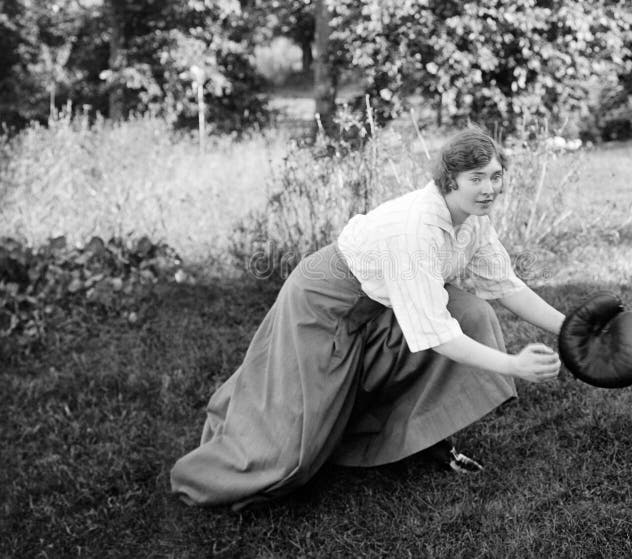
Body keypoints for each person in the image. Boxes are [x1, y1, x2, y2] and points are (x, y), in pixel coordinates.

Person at [170, 125, 565, 510]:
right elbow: (439, 335)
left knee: (472, 314)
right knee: (294, 446)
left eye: (496, 176)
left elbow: (505, 285)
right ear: (450, 180)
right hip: (324, 302)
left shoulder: (474, 220)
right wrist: (512, 364)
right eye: (476, 178)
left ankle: (424, 445)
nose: (490, 188)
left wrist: (569, 329)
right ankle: (210, 475)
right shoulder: (416, 230)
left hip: (380, 303)